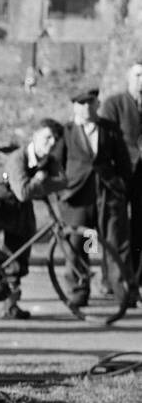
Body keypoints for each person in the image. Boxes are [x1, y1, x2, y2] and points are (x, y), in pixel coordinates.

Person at [0, 119, 66, 320]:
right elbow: (23, 191)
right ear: (35, 136)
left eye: (55, 140)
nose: (51, 143)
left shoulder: (49, 161)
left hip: (20, 211)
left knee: (19, 256)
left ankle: (10, 305)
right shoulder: (18, 158)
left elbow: (62, 181)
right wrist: (39, 180)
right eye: (47, 137)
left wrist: (39, 183)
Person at [56, 88, 133, 321]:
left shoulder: (109, 129)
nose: (87, 108)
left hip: (107, 195)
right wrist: (61, 190)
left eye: (91, 103)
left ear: (97, 104)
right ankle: (79, 290)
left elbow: (123, 162)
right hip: (77, 197)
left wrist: (120, 187)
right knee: (78, 244)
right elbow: (56, 163)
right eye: (81, 104)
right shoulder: (67, 132)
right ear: (75, 107)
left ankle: (122, 291)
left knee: (115, 242)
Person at [99, 60, 142, 304]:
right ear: (129, 78)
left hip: (140, 177)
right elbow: (107, 142)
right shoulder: (115, 104)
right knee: (112, 232)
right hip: (117, 178)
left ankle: (134, 280)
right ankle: (109, 280)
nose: (141, 82)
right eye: (137, 76)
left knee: (138, 230)